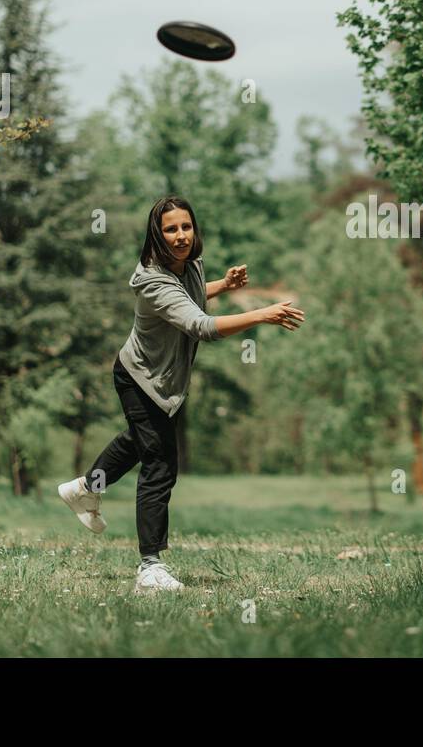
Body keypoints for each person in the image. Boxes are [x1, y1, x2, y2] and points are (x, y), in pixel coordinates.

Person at [58, 195, 305, 594]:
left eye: (185, 227)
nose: (180, 236)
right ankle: (150, 567)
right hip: (140, 379)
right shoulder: (152, 280)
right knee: (160, 465)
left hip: (161, 381)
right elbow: (201, 325)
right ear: (157, 234)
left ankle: (86, 488)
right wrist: (262, 314)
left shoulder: (189, 265)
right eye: (171, 229)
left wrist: (223, 285)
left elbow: (190, 296)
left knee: (137, 443)